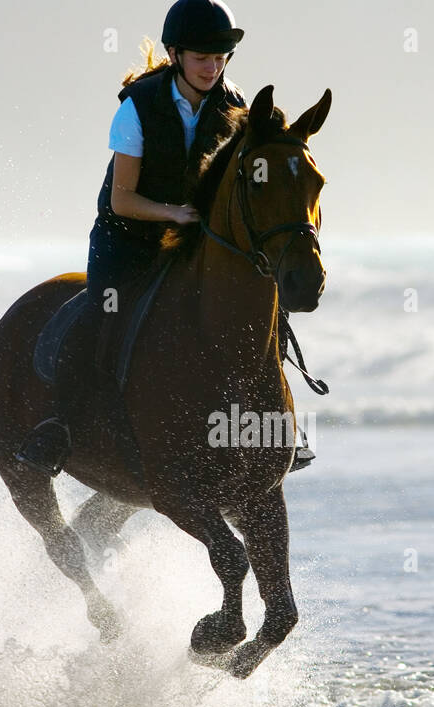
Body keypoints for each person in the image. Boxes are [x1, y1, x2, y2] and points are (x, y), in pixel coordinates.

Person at [16, 0, 314, 476]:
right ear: (174, 54)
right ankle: (61, 425)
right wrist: (174, 213)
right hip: (128, 236)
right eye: (202, 58)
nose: (213, 68)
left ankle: (277, 432)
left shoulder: (234, 104)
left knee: (260, 313)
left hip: (197, 235)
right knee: (100, 315)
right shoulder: (136, 109)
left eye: (220, 59)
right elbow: (123, 199)